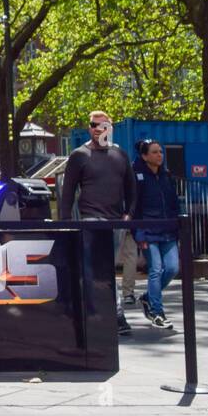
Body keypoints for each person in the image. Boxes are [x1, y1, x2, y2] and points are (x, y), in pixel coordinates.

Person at [58, 110, 136, 335]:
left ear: (109, 128)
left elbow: (131, 187)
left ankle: (95, 311)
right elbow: (68, 192)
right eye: (93, 125)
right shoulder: (79, 155)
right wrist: (65, 223)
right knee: (100, 268)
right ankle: (115, 314)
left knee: (104, 269)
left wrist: (128, 215)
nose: (97, 129)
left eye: (102, 125)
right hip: (91, 219)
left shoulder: (119, 155)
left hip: (116, 220)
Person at [131, 139, 179, 330]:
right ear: (144, 156)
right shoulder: (137, 176)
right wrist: (139, 234)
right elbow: (134, 206)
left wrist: (177, 226)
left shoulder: (166, 174)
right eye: (155, 152)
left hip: (168, 230)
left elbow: (174, 202)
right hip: (148, 231)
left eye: (160, 152)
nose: (160, 155)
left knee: (172, 268)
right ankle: (157, 312)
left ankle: (148, 297)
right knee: (156, 269)